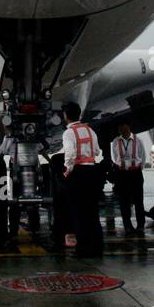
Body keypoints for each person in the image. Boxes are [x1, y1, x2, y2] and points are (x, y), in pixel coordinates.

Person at [61, 102, 104, 257]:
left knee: (78, 212)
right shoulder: (90, 130)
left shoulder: (68, 133)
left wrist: (67, 170)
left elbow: (70, 154)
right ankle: (97, 246)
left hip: (78, 173)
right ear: (79, 114)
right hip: (92, 171)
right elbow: (97, 150)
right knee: (92, 212)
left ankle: (83, 248)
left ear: (65, 116)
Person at [109, 123, 146, 234]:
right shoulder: (116, 141)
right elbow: (115, 158)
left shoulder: (138, 140)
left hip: (135, 173)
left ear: (129, 127)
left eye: (123, 127)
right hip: (122, 174)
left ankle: (140, 225)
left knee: (139, 201)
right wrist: (123, 166)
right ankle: (128, 226)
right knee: (123, 201)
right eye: (119, 128)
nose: (121, 129)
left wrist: (136, 168)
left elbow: (143, 157)